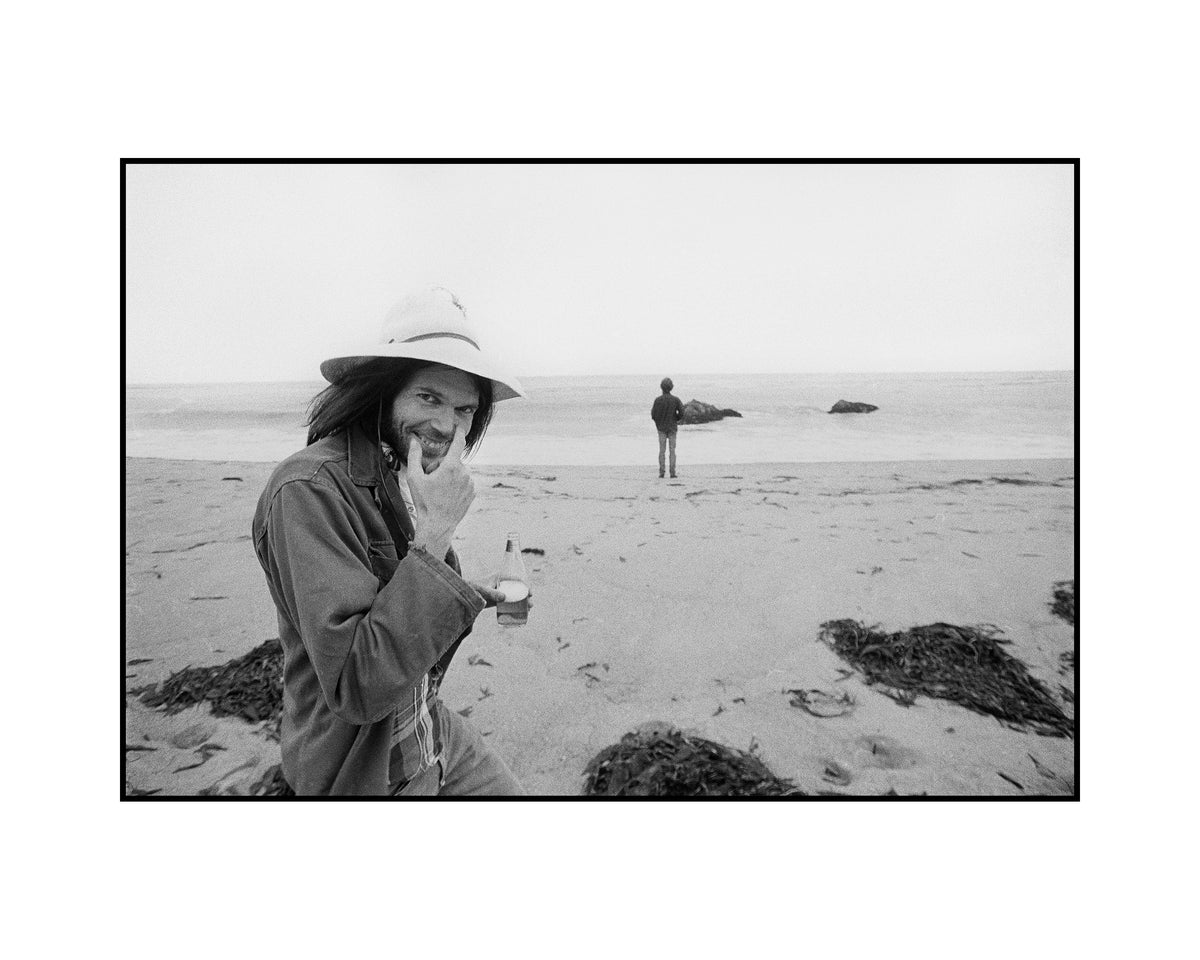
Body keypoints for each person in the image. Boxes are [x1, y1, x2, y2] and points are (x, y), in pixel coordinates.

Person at [252, 287, 528, 796]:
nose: (447, 425)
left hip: (430, 727)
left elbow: (405, 621)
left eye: (466, 409)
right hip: (367, 770)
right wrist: (439, 530)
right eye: (429, 397)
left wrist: (455, 591)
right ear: (381, 392)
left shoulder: (399, 470)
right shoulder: (308, 490)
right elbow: (358, 687)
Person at [651, 377, 684, 478]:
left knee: (662, 451)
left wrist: (658, 423)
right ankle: (672, 472)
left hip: (661, 428)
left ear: (662, 387)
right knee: (672, 451)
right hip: (672, 427)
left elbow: (653, 415)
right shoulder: (676, 400)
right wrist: (676, 419)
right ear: (671, 388)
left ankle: (661, 472)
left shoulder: (658, 400)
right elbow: (682, 412)